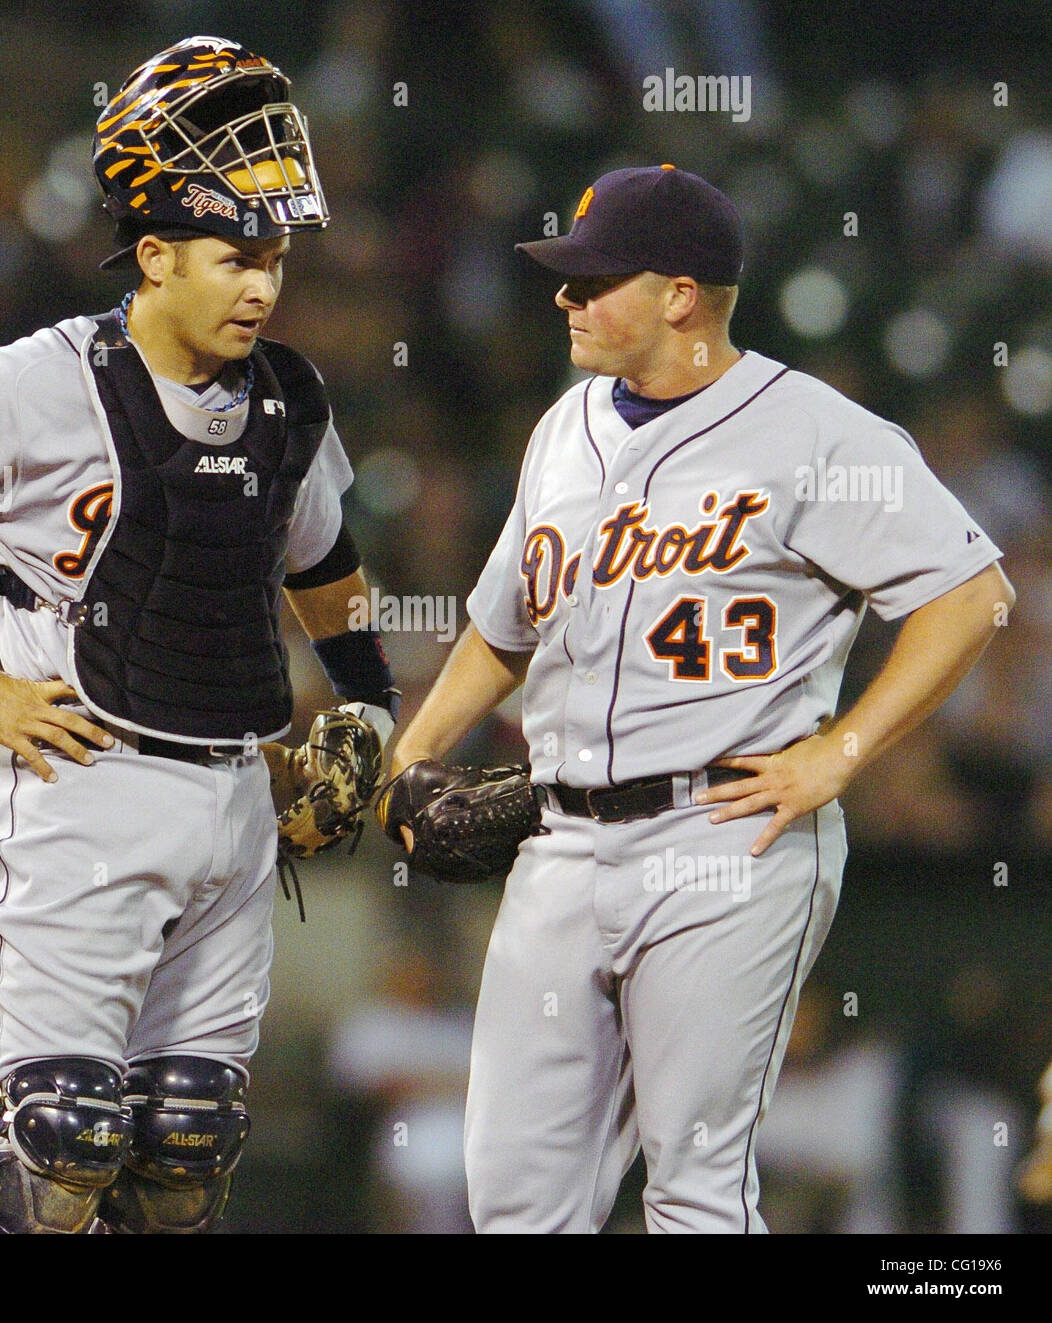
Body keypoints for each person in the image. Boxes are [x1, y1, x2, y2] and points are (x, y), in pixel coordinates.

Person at [0, 34, 397, 1235]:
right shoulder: (30, 382)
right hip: (82, 786)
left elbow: (321, 562)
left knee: (186, 1149)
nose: (263, 287)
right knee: (63, 1144)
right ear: (157, 253)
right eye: (237, 259)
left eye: (275, 260)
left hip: (235, 804)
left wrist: (369, 704)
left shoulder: (287, 398)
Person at [386, 164, 1014, 1233]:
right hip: (558, 841)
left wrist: (843, 750)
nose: (564, 298)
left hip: (727, 833)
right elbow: (504, 626)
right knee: (513, 1204)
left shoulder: (815, 433)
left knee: (695, 1193)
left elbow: (971, 593)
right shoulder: (562, 431)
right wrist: (412, 752)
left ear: (680, 296)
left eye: (593, 281)